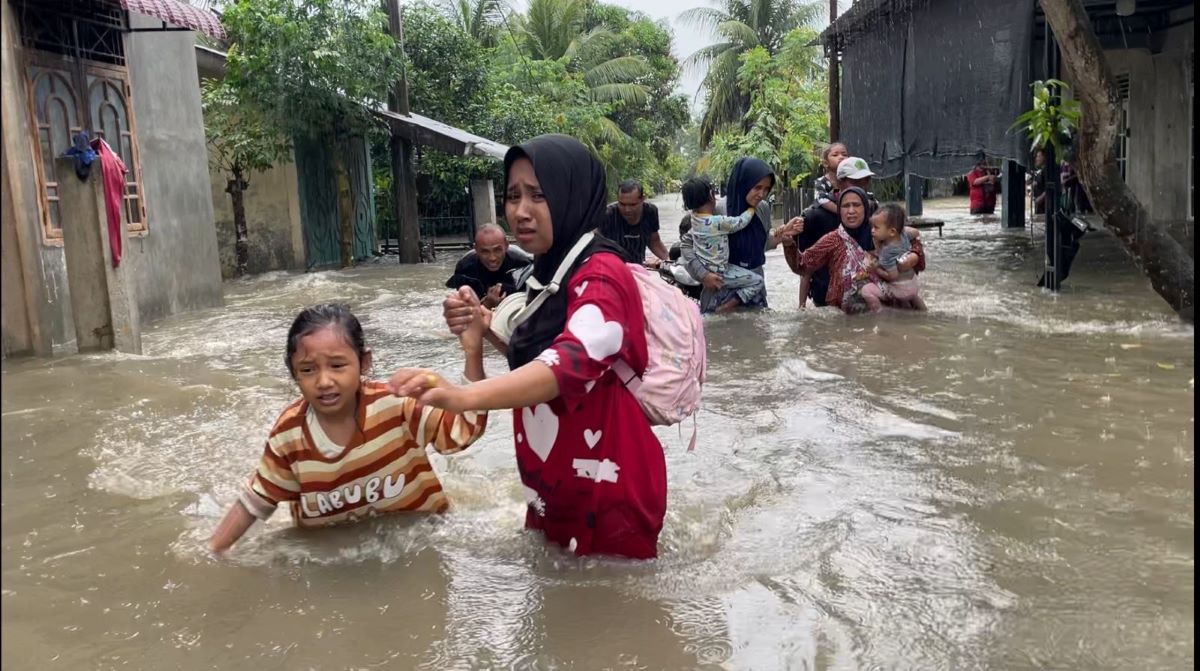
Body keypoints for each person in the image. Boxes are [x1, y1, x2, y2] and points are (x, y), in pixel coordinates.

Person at [400, 135, 667, 560]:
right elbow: (537, 361)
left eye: (539, 195)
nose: (520, 211)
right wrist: (478, 338)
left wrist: (460, 395)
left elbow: (571, 362)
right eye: (513, 195)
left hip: (609, 497)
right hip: (550, 488)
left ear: (571, 195)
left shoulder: (602, 274)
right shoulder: (547, 273)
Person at [208, 303, 489, 552]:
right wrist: (213, 553)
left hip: (422, 540)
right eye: (308, 370)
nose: (324, 381)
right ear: (294, 373)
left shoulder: (396, 405)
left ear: (364, 362)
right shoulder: (290, 435)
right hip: (335, 558)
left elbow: (463, 429)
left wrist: (473, 351)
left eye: (337, 365)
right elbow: (255, 502)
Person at [680, 158, 795, 312]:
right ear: (743, 184)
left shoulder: (762, 209)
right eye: (757, 187)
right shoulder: (716, 211)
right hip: (719, 294)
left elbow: (761, 245)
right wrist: (704, 275)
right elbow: (687, 244)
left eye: (767, 189)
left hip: (753, 293)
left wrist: (781, 238)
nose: (762, 194)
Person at [793, 188, 923, 313]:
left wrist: (915, 255)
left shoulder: (883, 232)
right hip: (846, 316)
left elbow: (915, 245)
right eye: (845, 206)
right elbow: (802, 265)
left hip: (894, 306)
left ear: (865, 208)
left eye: (856, 205)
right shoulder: (833, 240)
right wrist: (788, 243)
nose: (851, 211)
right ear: (839, 210)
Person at [680, 177, 763, 314]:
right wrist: (751, 209)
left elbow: (685, 243)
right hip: (721, 272)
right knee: (757, 281)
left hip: (706, 269)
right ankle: (726, 307)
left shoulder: (694, 219)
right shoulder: (717, 222)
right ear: (712, 196)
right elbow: (740, 222)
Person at [446, 224, 533, 308]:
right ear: (476, 249)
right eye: (485, 252)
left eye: (497, 250)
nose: (492, 258)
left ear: (506, 246)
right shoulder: (465, 268)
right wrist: (487, 305)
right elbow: (466, 313)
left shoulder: (525, 262)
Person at [861, 204, 926, 312]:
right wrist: (902, 229)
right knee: (912, 294)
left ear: (892, 232)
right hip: (913, 285)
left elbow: (892, 276)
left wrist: (875, 269)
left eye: (876, 228)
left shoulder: (887, 252)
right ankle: (923, 310)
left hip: (900, 291)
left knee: (866, 291)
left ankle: (880, 313)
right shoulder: (904, 235)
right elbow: (917, 232)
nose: (872, 231)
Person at [597, 179, 669, 266]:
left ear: (643, 199)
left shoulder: (650, 211)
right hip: (612, 267)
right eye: (622, 204)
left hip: (639, 266)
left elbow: (654, 242)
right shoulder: (607, 214)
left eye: (632, 205)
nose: (627, 210)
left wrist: (668, 261)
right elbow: (593, 244)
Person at [813, 143, 850, 214]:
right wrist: (842, 212)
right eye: (835, 155)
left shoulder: (852, 179)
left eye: (844, 155)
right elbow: (822, 200)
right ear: (826, 163)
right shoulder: (821, 182)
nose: (841, 157)